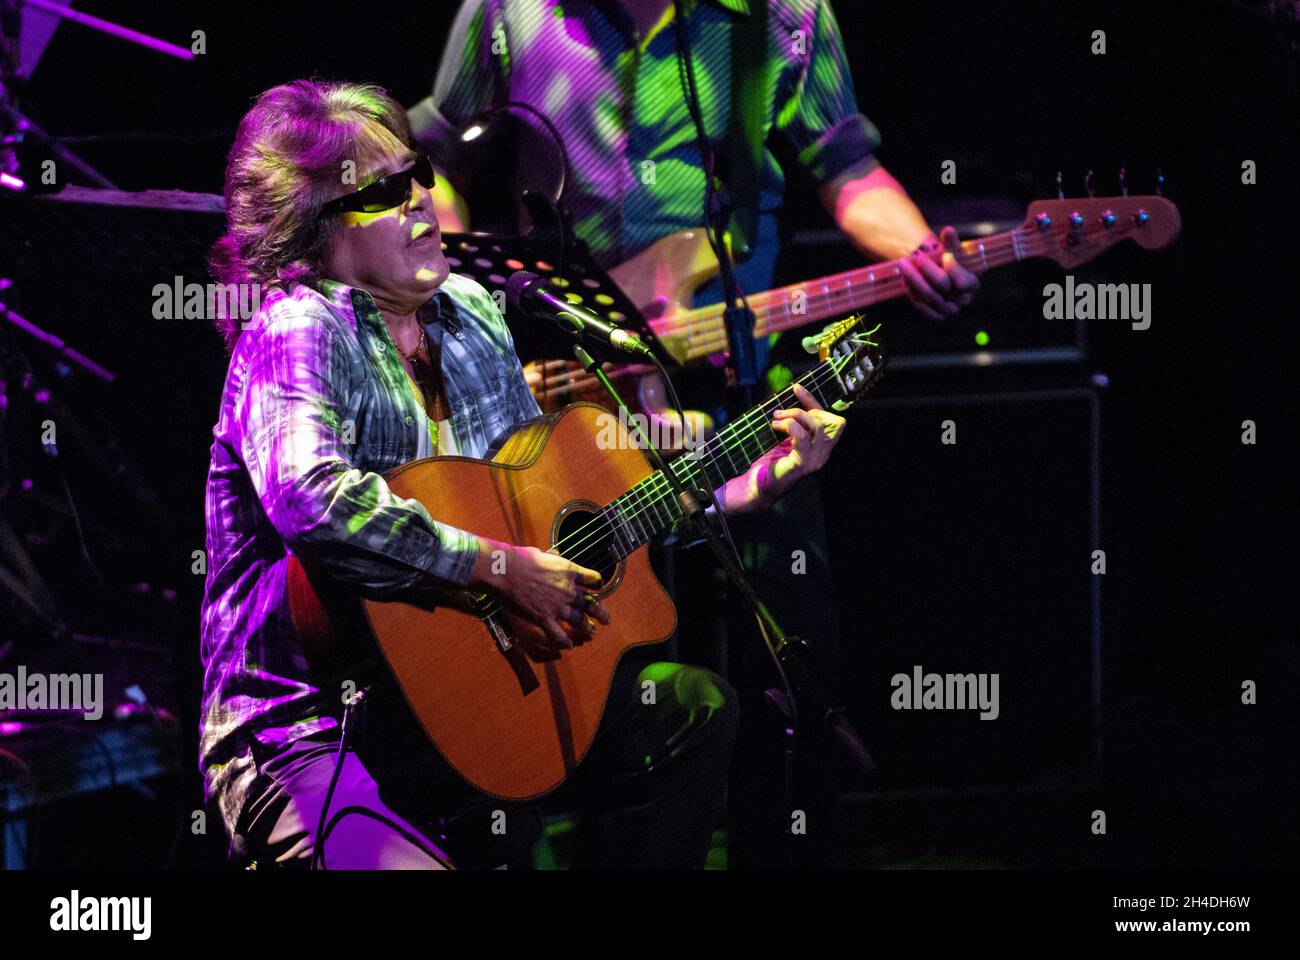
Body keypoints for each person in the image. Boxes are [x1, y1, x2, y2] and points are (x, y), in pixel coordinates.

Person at [199, 79, 846, 869]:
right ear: (310, 234)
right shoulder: (301, 324)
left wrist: (745, 487)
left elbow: (538, 514)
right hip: (316, 730)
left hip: (468, 700)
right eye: (383, 193)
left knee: (695, 713)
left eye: (419, 175)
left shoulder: (470, 312)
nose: (420, 202)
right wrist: (498, 567)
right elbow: (311, 498)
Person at [409, 0, 979, 867]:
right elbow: (433, 158)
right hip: (562, 385)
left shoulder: (782, 18)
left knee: (789, 659)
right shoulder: (507, 11)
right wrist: (461, 294)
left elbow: (847, 167)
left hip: (728, 375)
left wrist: (919, 254)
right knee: (582, 654)